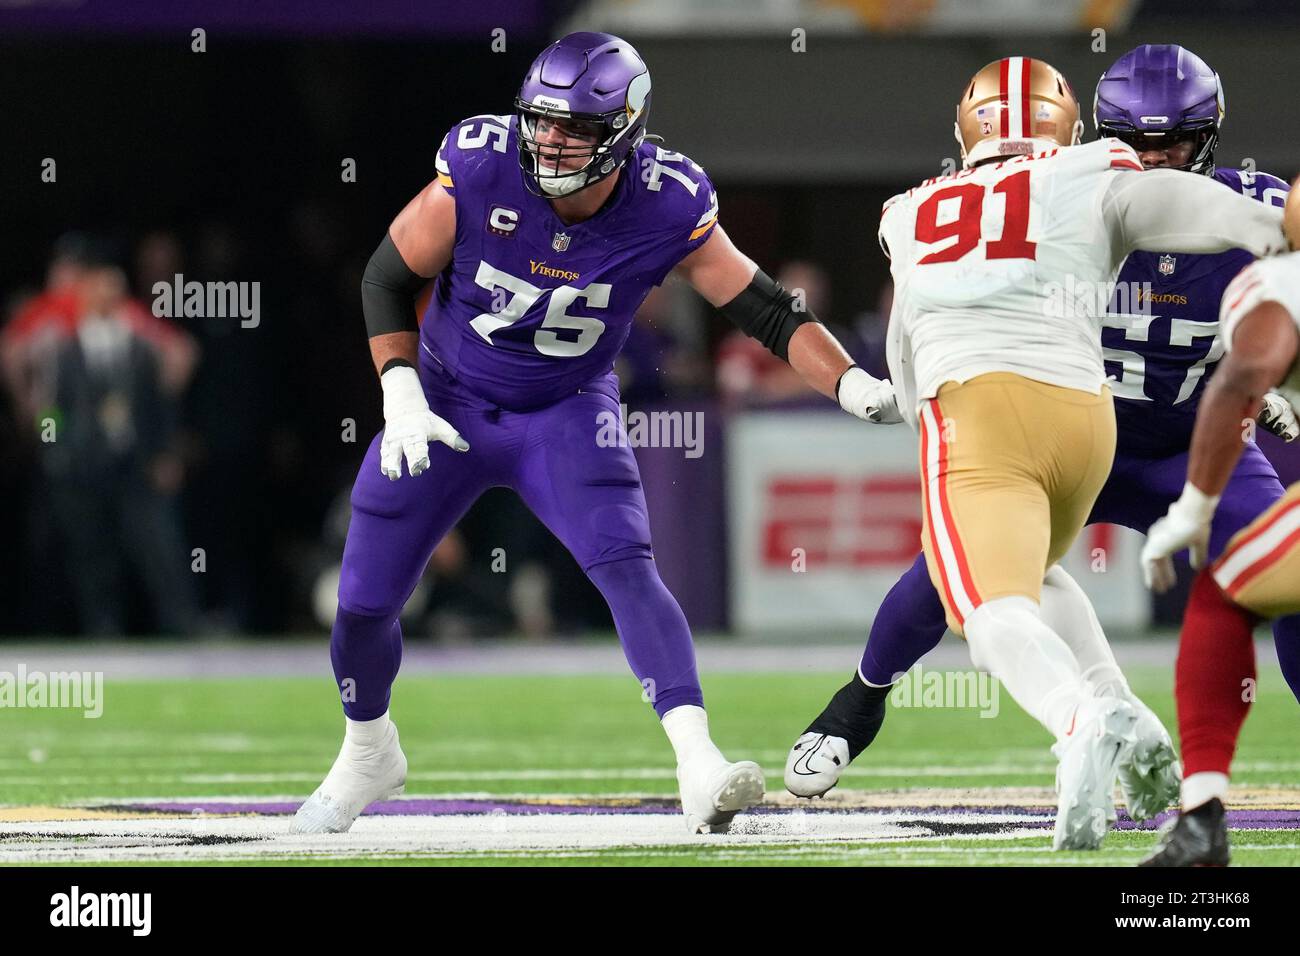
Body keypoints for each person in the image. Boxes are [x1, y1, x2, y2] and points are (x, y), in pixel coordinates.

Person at [294, 32, 889, 835]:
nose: (548, 140)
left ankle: (696, 760)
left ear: (624, 134)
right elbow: (388, 275)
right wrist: (400, 389)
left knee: (627, 568)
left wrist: (850, 381)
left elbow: (765, 309)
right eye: (541, 122)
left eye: (572, 128)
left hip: (566, 408)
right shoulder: (480, 164)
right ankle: (368, 749)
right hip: (445, 398)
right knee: (362, 601)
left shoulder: (668, 201)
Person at [784, 54, 1287, 850]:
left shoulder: (939, 203)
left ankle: (1085, 718)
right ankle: (860, 703)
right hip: (1093, 425)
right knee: (950, 573)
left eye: (1176, 143)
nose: (1152, 159)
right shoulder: (1091, 182)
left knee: (1284, 569)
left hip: (1189, 440)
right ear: (1092, 133)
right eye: (1135, 142)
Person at [1138, 187, 1300, 866]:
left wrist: (1195, 507)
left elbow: (1242, 377)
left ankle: (1201, 818)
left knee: (1225, 590)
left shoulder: (1277, 279)